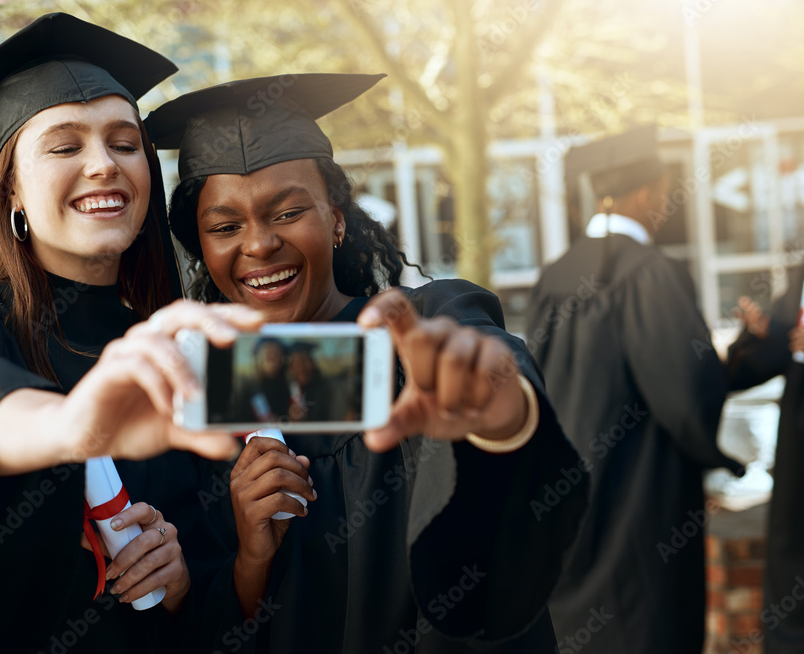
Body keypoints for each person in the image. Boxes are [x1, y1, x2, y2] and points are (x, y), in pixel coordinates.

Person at [0, 13, 257, 654]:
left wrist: (181, 580)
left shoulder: (173, 353)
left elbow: (229, 585)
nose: (103, 165)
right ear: (10, 190)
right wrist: (75, 427)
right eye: (65, 147)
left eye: (125, 144)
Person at [146, 73, 588, 653]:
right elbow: (212, 631)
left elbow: (489, 369)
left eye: (286, 212)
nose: (257, 245)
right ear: (202, 246)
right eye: (225, 227)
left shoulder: (424, 322)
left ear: (336, 218)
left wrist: (492, 397)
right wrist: (253, 557)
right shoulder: (201, 398)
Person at [525, 125, 744, 653]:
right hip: (642, 504)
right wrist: (724, 451)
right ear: (646, 192)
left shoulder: (554, 276)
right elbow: (687, 392)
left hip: (567, 502)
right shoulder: (649, 273)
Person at [727, 264, 804, 654]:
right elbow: (777, 356)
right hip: (796, 446)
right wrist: (760, 335)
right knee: (790, 548)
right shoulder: (798, 282)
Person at [232, 337, 291, 423]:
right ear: (258, 357)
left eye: (276, 353)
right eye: (268, 352)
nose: (272, 354)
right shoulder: (244, 388)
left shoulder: (291, 387)